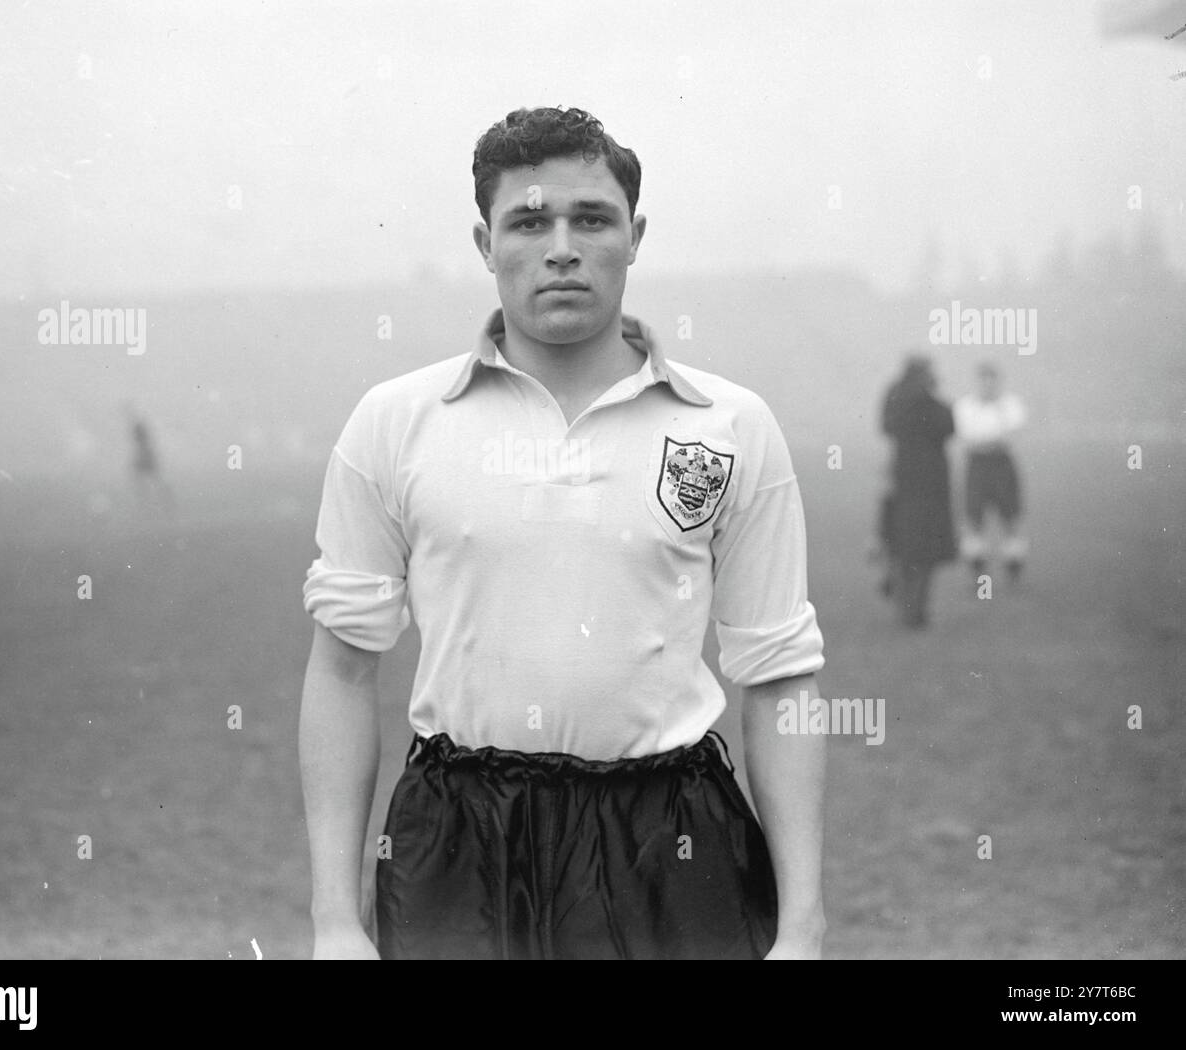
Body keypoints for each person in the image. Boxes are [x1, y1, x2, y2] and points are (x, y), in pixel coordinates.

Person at [299, 107, 826, 960]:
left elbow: (780, 676)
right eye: (530, 221)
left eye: (591, 219)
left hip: (670, 842)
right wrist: (333, 920)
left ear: (634, 234)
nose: (562, 247)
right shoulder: (394, 423)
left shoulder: (732, 426)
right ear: (485, 242)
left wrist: (801, 926)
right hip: (456, 841)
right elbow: (340, 670)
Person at [880, 356, 957, 627]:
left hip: (902, 479)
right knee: (925, 551)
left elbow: (886, 426)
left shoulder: (895, 399)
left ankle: (905, 603)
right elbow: (949, 426)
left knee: (904, 546)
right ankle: (917, 609)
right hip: (932, 483)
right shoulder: (932, 403)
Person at [953, 362, 1027, 583]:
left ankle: (1014, 565)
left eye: (991, 381)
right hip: (977, 464)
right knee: (974, 516)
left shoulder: (1010, 403)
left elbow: (1012, 430)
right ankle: (977, 568)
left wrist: (994, 423)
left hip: (1001, 463)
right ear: (977, 382)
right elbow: (966, 434)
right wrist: (988, 439)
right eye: (983, 381)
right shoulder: (965, 406)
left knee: (1010, 515)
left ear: (998, 382)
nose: (987, 386)